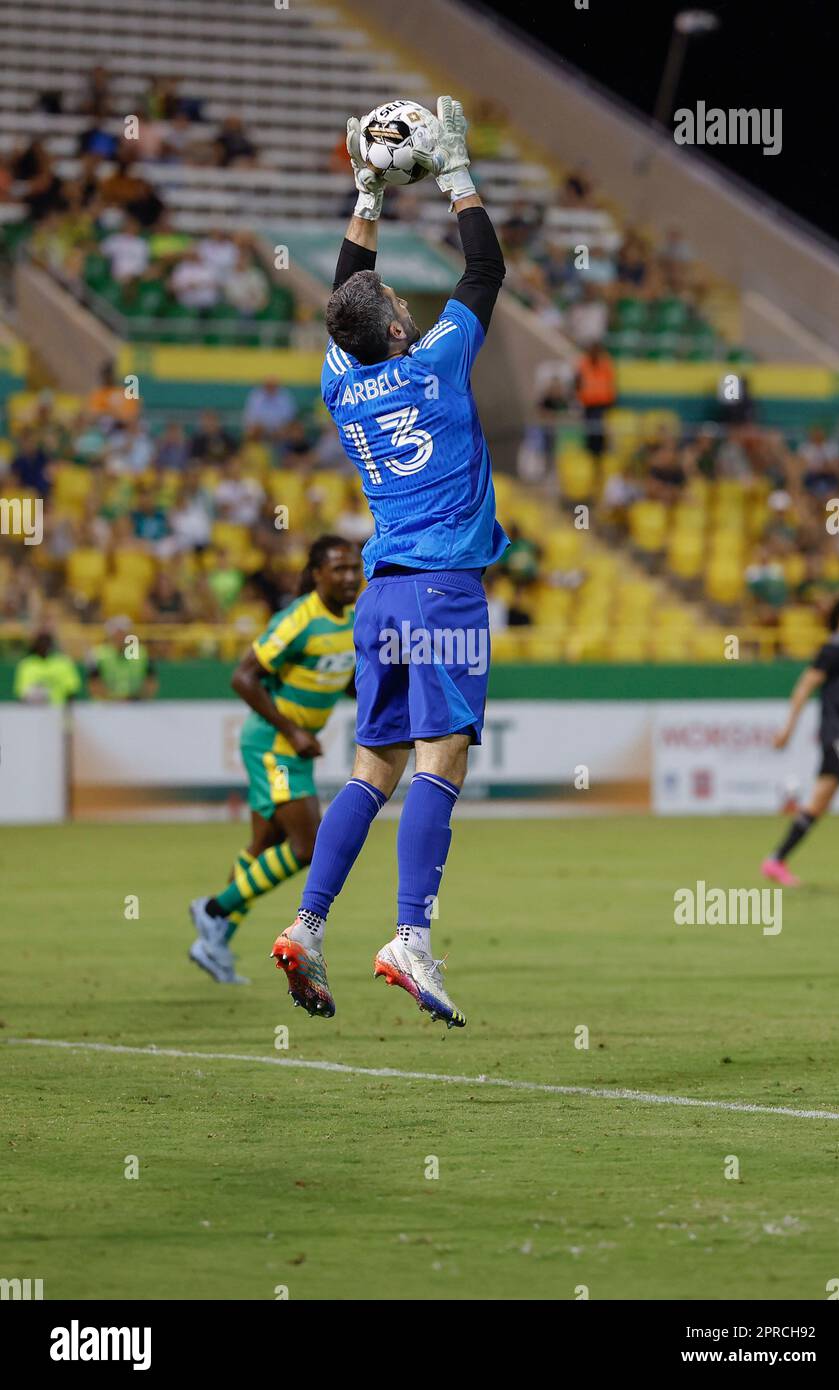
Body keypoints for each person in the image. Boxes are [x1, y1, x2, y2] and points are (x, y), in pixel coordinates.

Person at [268, 97, 508, 1029]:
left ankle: (309, 920)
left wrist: (365, 193)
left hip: (380, 597)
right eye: (403, 304)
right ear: (401, 327)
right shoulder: (438, 364)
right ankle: (409, 935)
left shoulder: (341, 382)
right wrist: (455, 171)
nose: (409, 304)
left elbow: (347, 296)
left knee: (372, 769)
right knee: (439, 760)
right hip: (445, 590)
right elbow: (486, 268)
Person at [188, 537, 361, 984]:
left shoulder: (352, 620)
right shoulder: (297, 620)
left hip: (292, 745)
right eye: (338, 569)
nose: (348, 577)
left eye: (353, 568)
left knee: (262, 849)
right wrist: (293, 730)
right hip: (273, 744)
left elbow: (337, 679)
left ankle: (213, 943)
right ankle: (212, 910)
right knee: (308, 846)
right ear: (316, 573)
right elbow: (243, 678)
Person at [762, 592, 839, 886]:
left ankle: (775, 860)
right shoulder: (832, 649)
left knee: (816, 805)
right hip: (837, 735)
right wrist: (788, 729)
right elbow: (805, 686)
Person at [86, 617, 158, 700]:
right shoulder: (97, 654)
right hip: (106, 707)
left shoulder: (142, 653)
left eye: (123, 634)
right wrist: (114, 700)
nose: (120, 637)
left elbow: (151, 682)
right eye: (117, 634)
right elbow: (94, 684)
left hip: (136, 705)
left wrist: (137, 699)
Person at [13, 631, 82, 705]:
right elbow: (21, 693)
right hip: (33, 711)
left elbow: (72, 689)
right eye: (41, 643)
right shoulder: (26, 664)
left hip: (58, 710)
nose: (44, 646)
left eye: (46, 643)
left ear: (51, 645)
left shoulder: (63, 663)